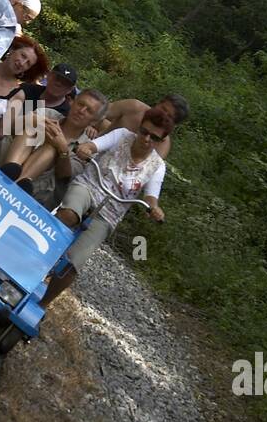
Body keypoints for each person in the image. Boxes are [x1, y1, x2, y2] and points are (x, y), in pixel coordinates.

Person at [40, 107, 174, 307]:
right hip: (90, 186)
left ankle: (43, 304)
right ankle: (33, 255)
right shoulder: (122, 136)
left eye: (154, 137)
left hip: (111, 212)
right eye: (144, 132)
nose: (146, 139)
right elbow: (95, 145)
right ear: (139, 128)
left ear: (161, 140)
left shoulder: (157, 166)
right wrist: (87, 148)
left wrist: (154, 208)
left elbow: (151, 196)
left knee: (74, 262)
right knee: (68, 215)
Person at [0, 89, 109, 203]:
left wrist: (63, 149)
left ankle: (18, 184)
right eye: (80, 104)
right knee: (32, 127)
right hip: (2, 165)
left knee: (52, 148)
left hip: (35, 193)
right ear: (72, 102)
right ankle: (10, 170)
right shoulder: (47, 113)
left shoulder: (88, 146)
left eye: (89, 111)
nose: (81, 111)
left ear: (94, 121)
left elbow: (65, 178)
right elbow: (6, 129)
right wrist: (30, 119)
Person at [87, 92, 189, 163]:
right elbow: (98, 112)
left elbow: (146, 169)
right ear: (158, 103)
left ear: (173, 125)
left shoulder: (162, 143)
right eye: (163, 109)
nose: (162, 115)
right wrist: (91, 125)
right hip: (91, 149)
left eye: (169, 116)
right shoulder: (134, 107)